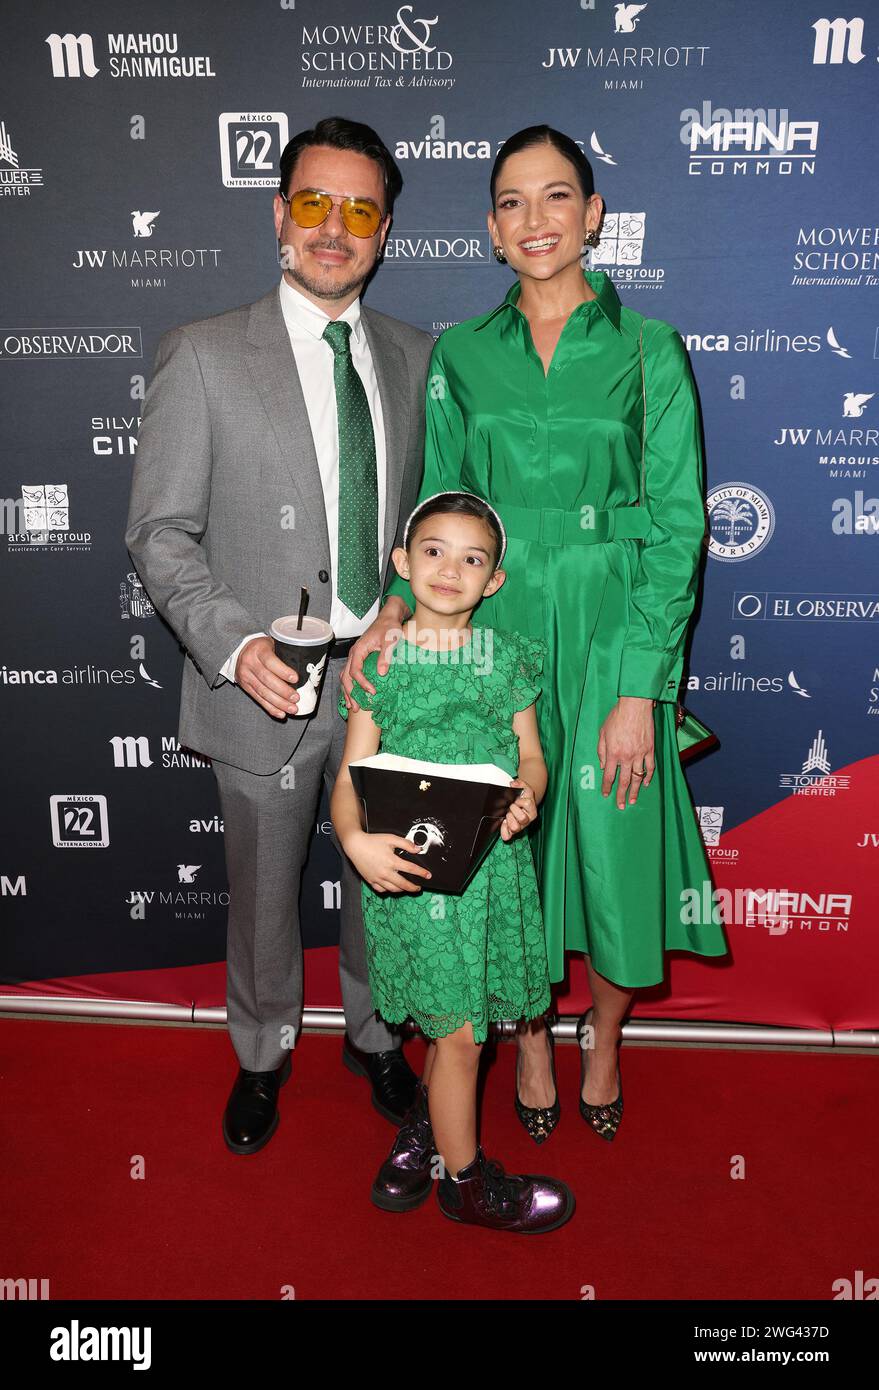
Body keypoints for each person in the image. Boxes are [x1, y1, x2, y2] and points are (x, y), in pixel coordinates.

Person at [341, 124, 729, 1145]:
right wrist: (398, 610)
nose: (536, 219)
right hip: (494, 631)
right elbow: (441, 508)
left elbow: (680, 523)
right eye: (512, 202)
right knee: (505, 854)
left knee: (612, 844)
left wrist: (641, 686)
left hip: (611, 631)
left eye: (557, 197)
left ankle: (603, 1030)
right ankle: (533, 1037)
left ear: (594, 216)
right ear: (491, 229)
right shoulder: (462, 352)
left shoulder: (650, 350)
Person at [126, 116, 434, 1156]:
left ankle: (375, 1032)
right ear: (279, 215)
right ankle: (262, 1053)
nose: (334, 227)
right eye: (314, 202)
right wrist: (231, 643)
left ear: (385, 229)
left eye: (359, 208)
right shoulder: (203, 354)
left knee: (383, 878)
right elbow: (160, 533)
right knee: (262, 885)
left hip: (389, 680)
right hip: (262, 683)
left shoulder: (418, 356)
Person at [330, 492, 575, 1233]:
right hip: (409, 875)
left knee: (455, 1026)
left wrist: (526, 798)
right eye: (433, 551)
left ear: (494, 580)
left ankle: (424, 1136)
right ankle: (466, 1186)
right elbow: (349, 778)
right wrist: (354, 842)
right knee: (462, 1034)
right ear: (402, 564)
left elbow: (531, 757)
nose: (450, 570)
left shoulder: (509, 660)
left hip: (493, 870)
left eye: (473, 559)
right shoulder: (381, 666)